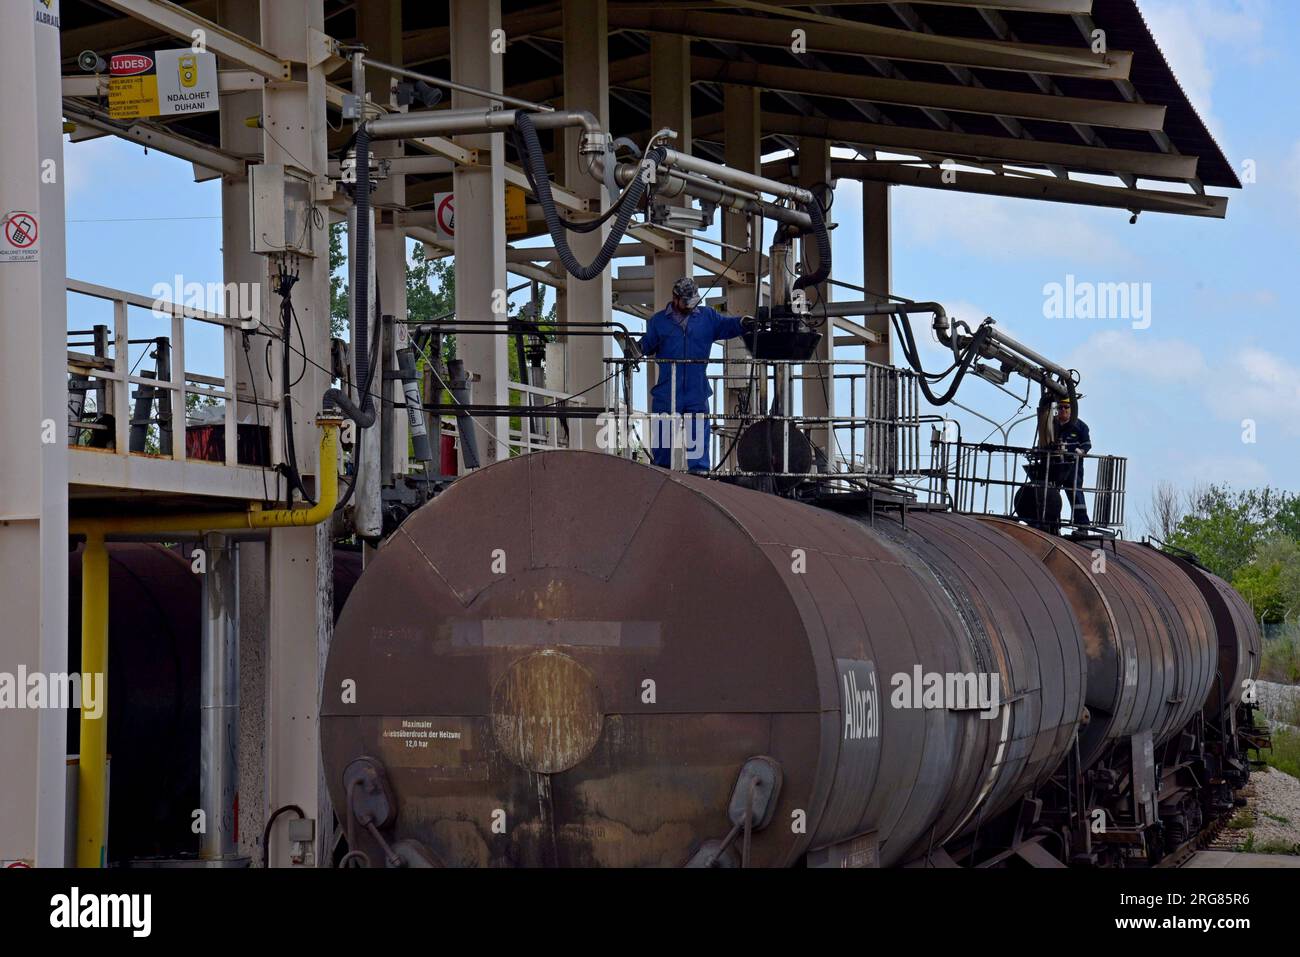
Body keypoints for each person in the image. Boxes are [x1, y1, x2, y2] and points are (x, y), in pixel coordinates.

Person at [638, 276, 750, 471]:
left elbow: (727, 325)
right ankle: (660, 471)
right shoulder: (658, 322)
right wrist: (633, 350)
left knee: (698, 435)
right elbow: (646, 345)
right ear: (675, 298)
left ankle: (699, 473)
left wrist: (742, 322)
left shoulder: (708, 317)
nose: (690, 306)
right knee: (663, 436)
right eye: (686, 302)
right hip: (667, 390)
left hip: (696, 389)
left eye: (693, 301)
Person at [1052, 398, 1092, 526]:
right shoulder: (1052, 425)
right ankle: (1052, 522)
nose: (1063, 410)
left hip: (1073, 467)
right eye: (1060, 407)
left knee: (1075, 493)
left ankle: (1082, 524)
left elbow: (1087, 445)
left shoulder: (1081, 426)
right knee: (1051, 494)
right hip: (1054, 466)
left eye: (1066, 407)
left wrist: (1080, 452)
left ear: (1072, 409)